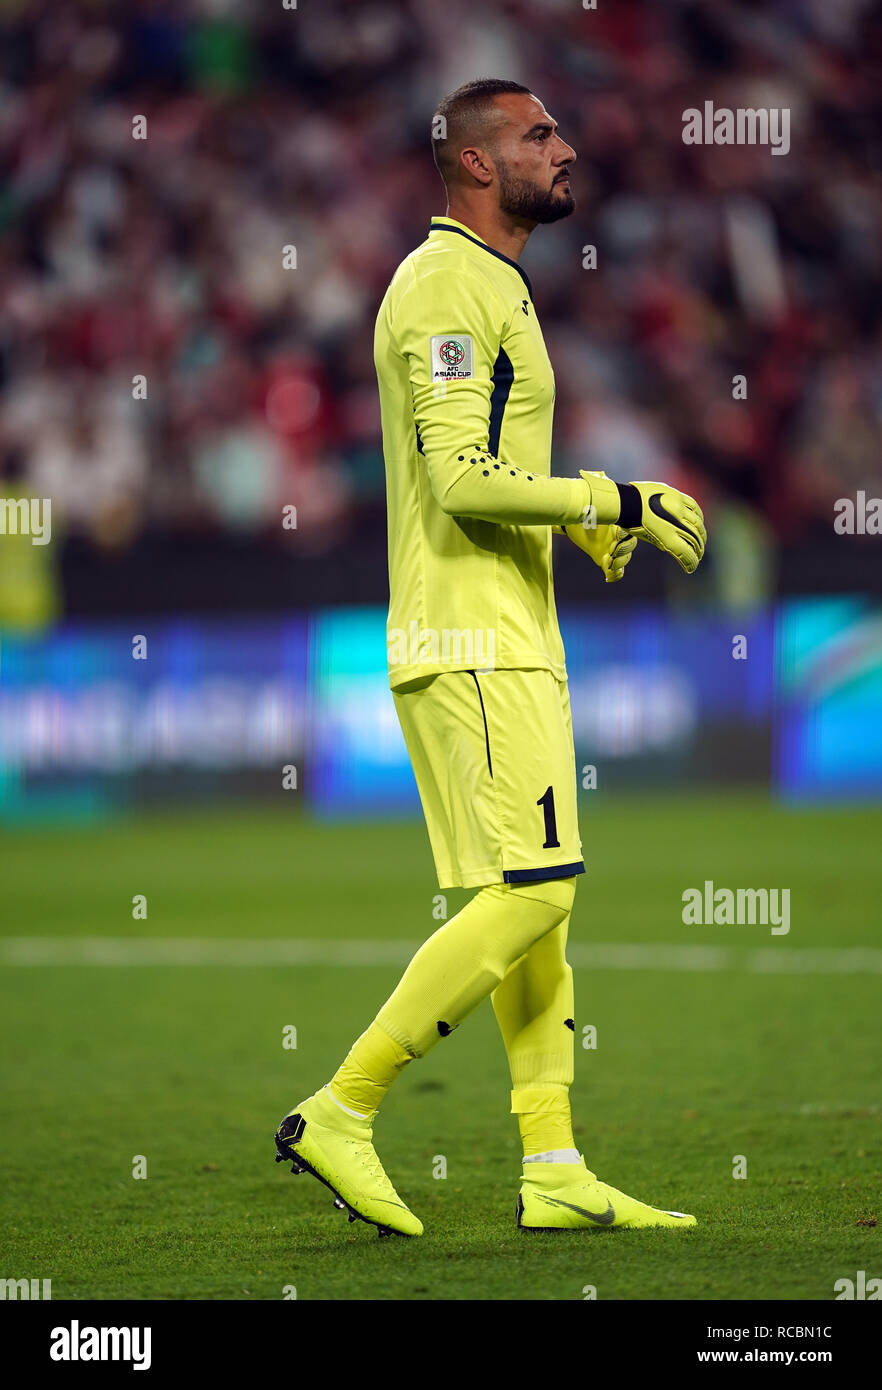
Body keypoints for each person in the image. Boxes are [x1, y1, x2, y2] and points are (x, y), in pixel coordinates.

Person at [275, 79, 706, 1237]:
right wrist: (615, 490)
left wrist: (579, 523)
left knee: (538, 908)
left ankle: (553, 1162)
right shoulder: (450, 284)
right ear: (474, 163)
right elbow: (461, 481)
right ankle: (344, 1105)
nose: (565, 149)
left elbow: (477, 474)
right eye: (539, 135)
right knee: (537, 888)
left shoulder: (486, 281)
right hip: (474, 642)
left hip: (502, 633)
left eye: (561, 129)